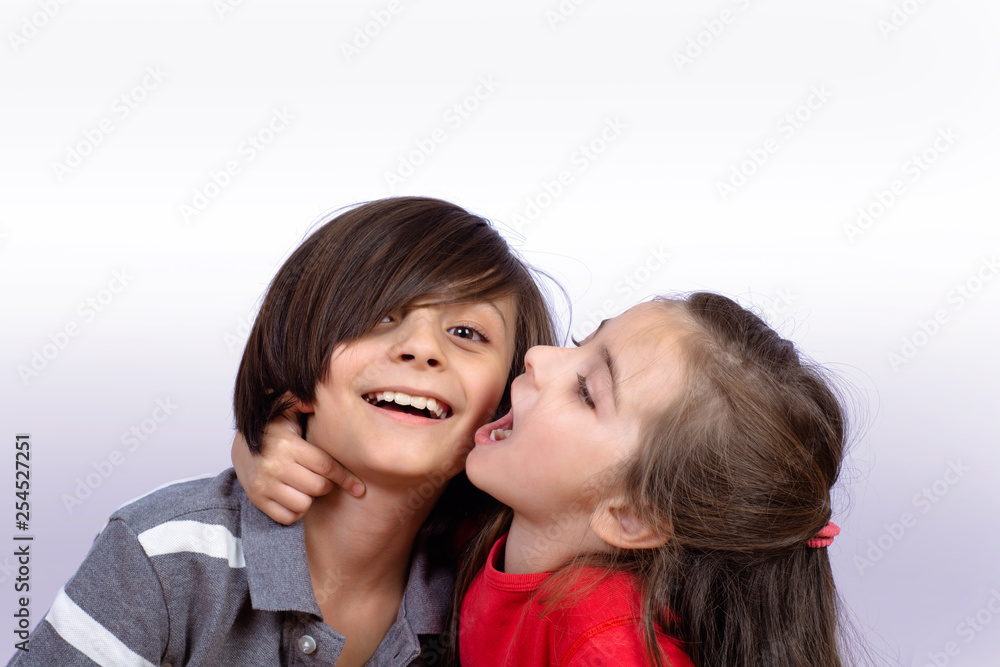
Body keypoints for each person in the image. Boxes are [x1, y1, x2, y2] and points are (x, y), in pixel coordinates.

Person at [8, 196, 557, 667]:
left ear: (506, 400)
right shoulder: (165, 555)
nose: (422, 347)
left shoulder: (488, 594)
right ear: (299, 352)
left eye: (466, 331)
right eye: (380, 315)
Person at [239, 293, 850, 666]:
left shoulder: (603, 637)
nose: (538, 356)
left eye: (587, 390)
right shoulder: (483, 532)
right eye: (581, 342)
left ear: (630, 517)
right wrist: (259, 447)